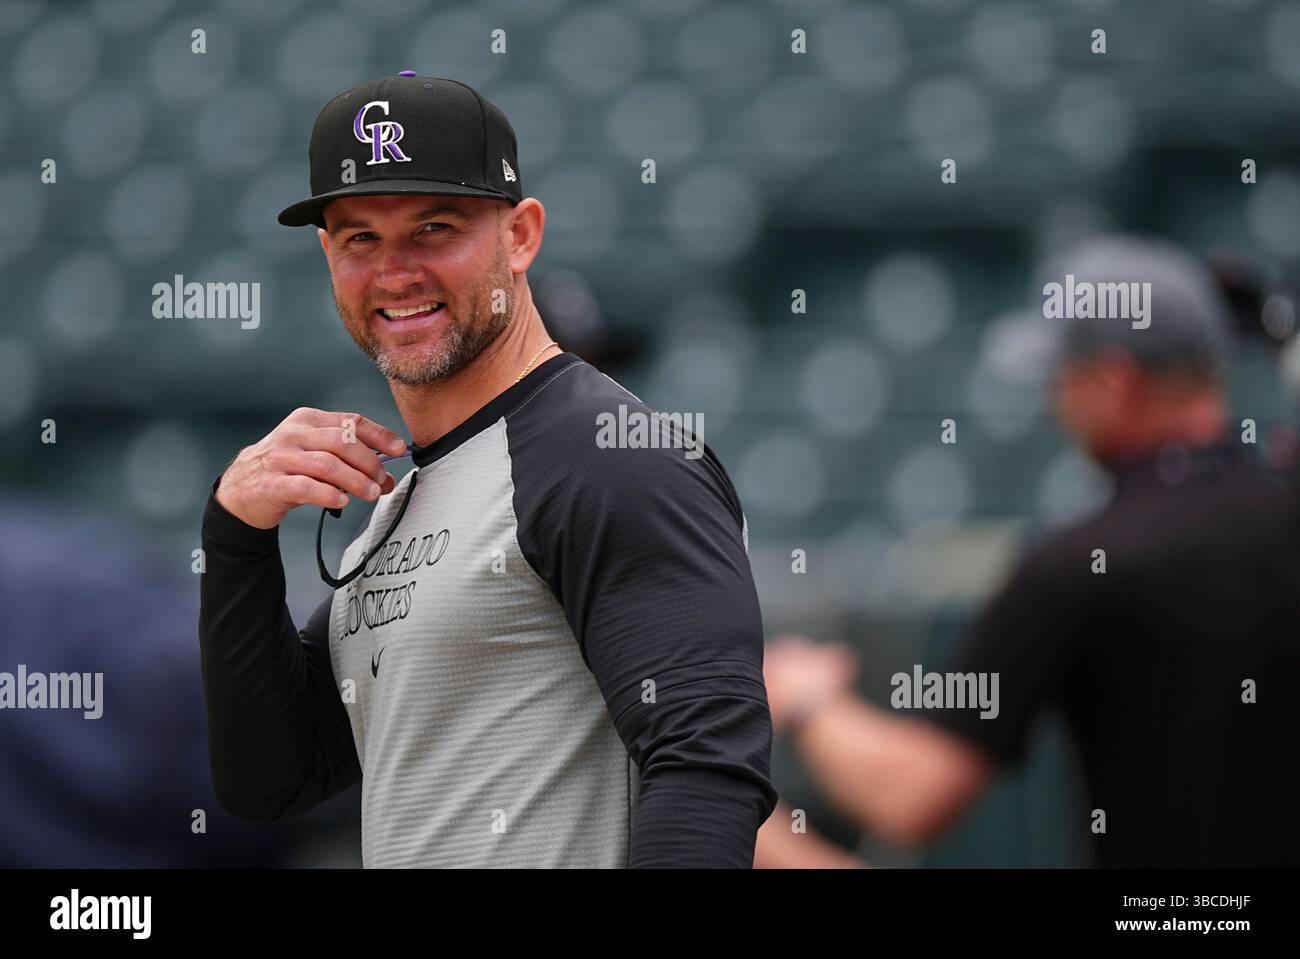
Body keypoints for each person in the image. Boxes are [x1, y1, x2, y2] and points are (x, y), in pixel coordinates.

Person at [199, 74, 776, 868]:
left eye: (433, 227)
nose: (395, 271)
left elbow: (708, 768)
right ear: (328, 254)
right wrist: (235, 535)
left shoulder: (608, 455)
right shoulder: (406, 495)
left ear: (521, 235)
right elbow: (273, 779)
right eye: (360, 236)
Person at [761, 236, 1300, 868]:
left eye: (1061, 378)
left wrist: (804, 698)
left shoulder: (1079, 564)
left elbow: (910, 796)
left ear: (1114, 382)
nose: (1054, 402)